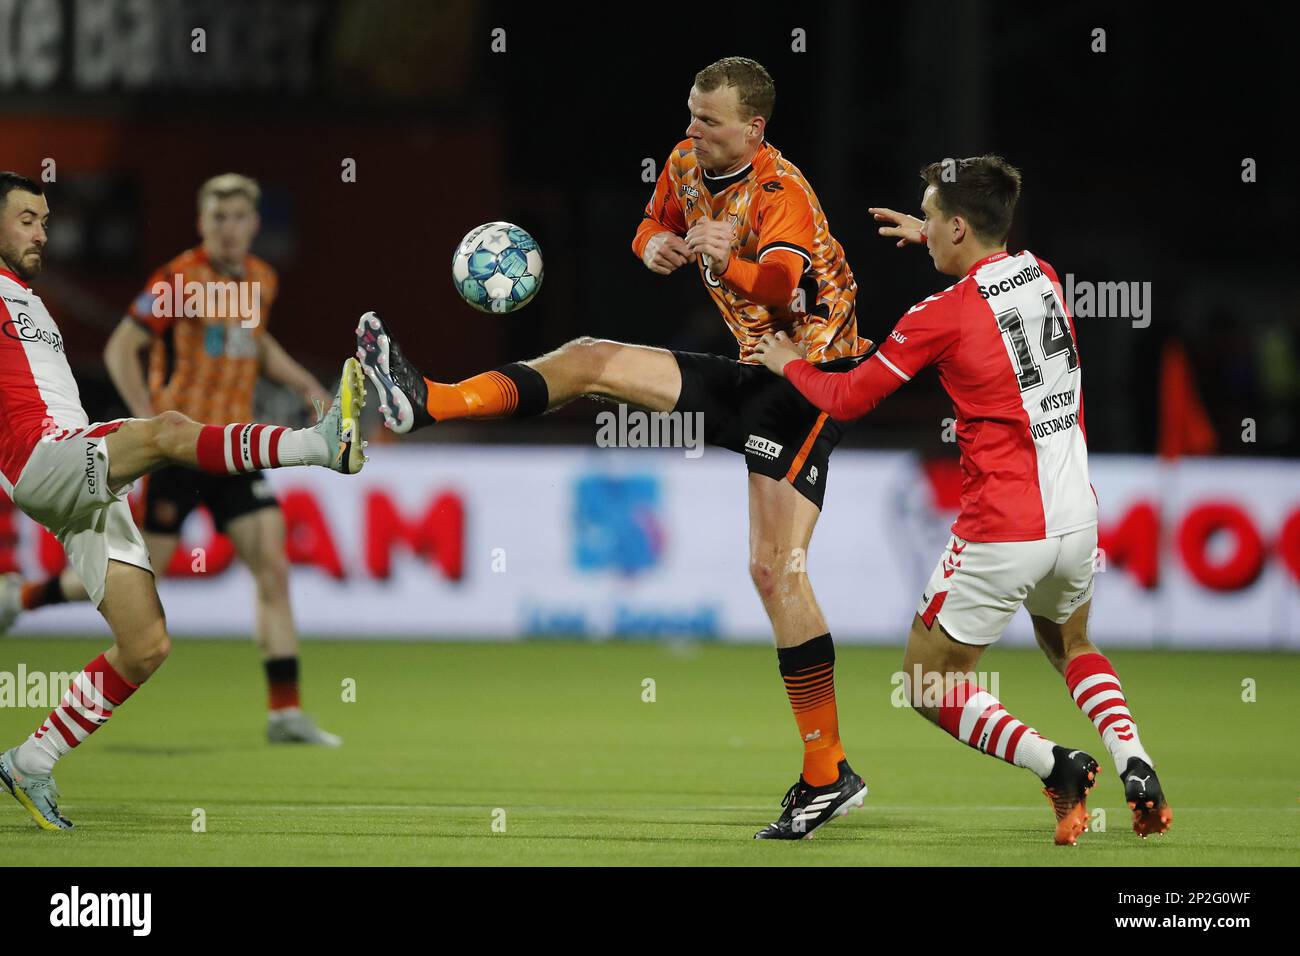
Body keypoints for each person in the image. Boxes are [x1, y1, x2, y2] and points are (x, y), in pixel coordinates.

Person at [355, 56, 872, 839]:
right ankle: (430, 401)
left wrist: (711, 254)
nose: (692, 129)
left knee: (774, 570)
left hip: (807, 382)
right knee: (589, 358)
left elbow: (772, 286)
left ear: (754, 128)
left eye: (710, 120)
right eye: (691, 112)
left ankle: (827, 773)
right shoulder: (684, 161)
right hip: (746, 371)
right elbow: (648, 224)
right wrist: (651, 249)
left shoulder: (781, 191)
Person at [754, 155, 1172, 844]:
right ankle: (1136, 760)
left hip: (1003, 530)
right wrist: (935, 233)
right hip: (1076, 520)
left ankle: (1056, 763)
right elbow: (991, 279)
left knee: (928, 684)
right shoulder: (1043, 276)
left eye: (931, 217)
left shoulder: (937, 317)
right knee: (1071, 642)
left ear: (956, 227)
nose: (921, 227)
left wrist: (786, 363)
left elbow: (849, 397)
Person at [0, 172, 365, 830]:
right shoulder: (174, 279)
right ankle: (317, 446)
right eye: (27, 218)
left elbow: (257, 341)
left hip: (97, 464)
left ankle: (32, 759)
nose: (42, 232)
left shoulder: (28, 297)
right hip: (61, 457)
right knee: (169, 428)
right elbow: (124, 347)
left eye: (45, 220)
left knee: (147, 646)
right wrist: (142, 425)